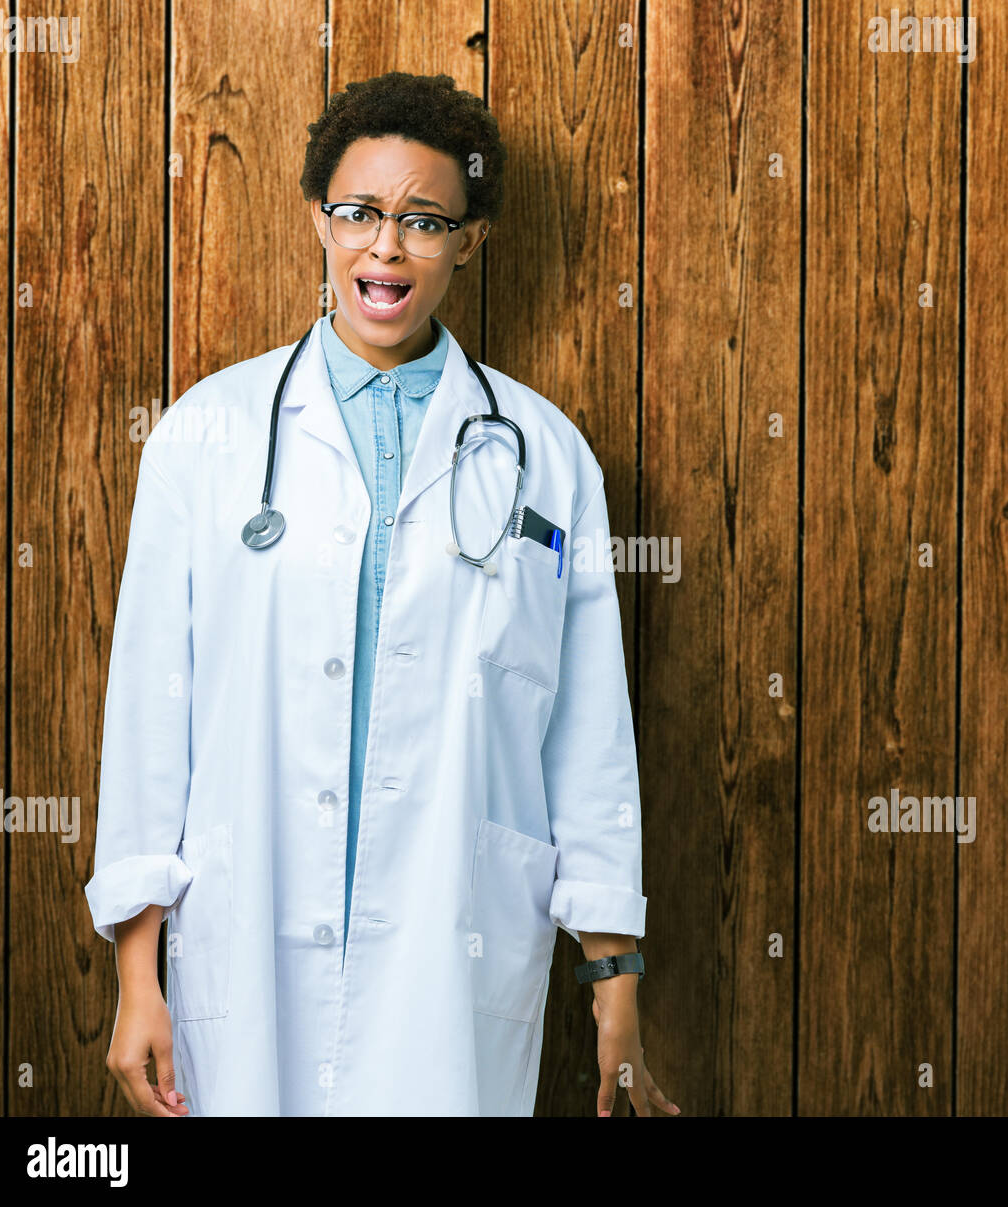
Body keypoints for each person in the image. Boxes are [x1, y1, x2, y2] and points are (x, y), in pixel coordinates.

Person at [85, 71, 678, 1118]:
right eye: (358, 213)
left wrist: (610, 979)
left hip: (453, 947)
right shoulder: (206, 436)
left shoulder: (545, 459)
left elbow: (586, 732)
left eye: (424, 220)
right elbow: (149, 714)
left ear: (470, 239)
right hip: (246, 943)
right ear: (319, 218)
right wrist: (140, 977)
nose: (385, 248)